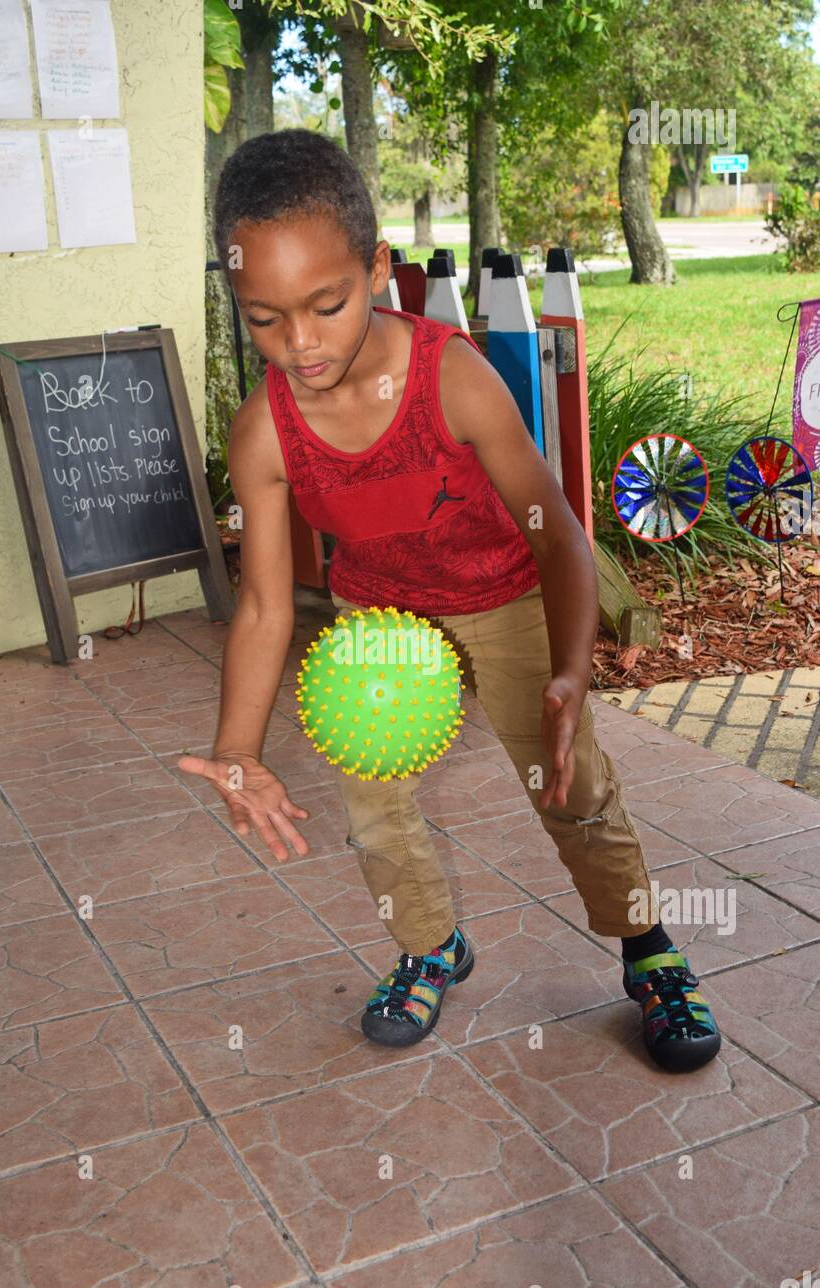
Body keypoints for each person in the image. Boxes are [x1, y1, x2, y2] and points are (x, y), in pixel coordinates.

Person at [179, 128, 720, 1073]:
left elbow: (555, 524)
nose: (299, 344)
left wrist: (564, 671)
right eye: (264, 318)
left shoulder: (452, 376)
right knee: (372, 808)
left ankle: (650, 951)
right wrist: (236, 752)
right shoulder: (264, 431)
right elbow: (265, 607)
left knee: (571, 786)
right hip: (382, 623)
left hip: (507, 595)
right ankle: (429, 947)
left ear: (376, 268)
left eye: (326, 305)